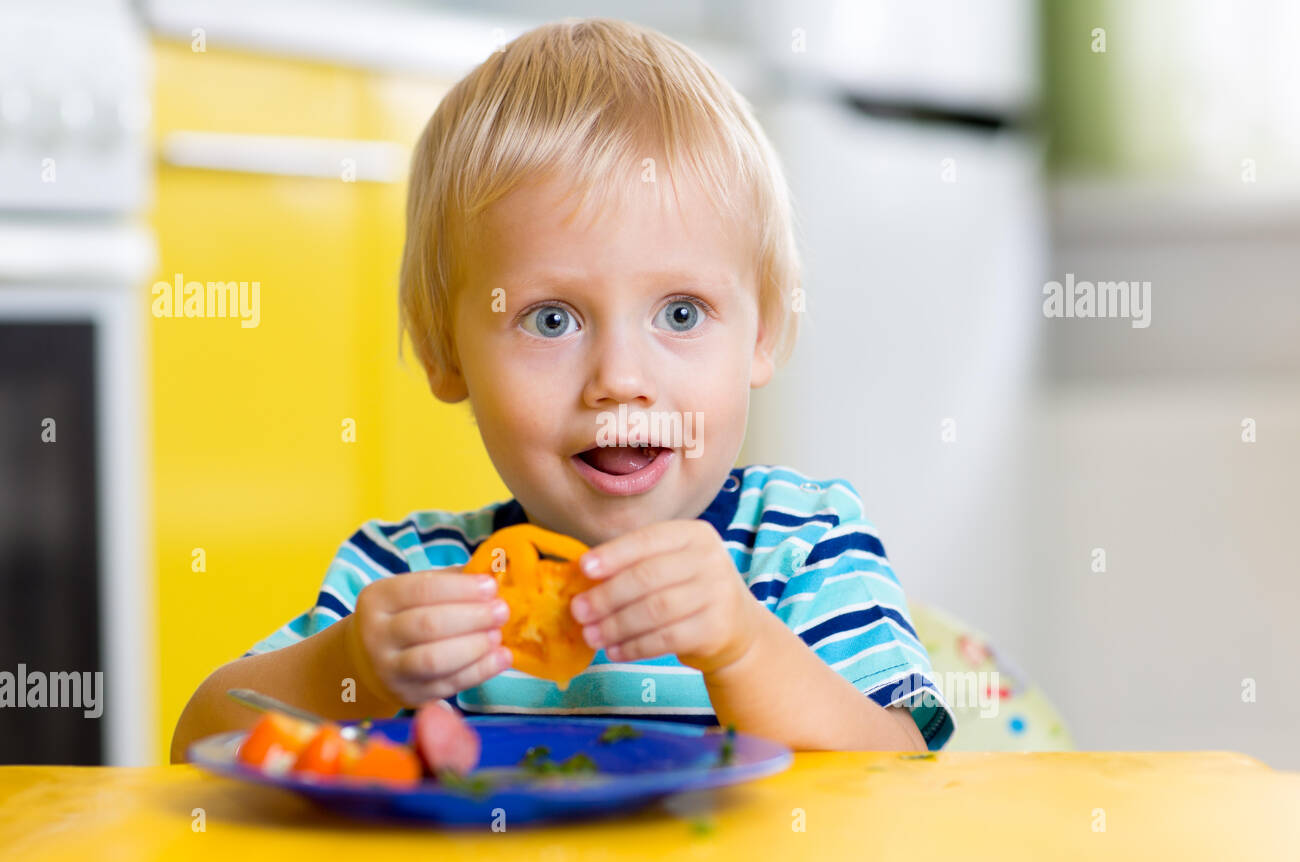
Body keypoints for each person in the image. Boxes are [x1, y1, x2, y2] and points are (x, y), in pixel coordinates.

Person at [171, 17, 955, 762]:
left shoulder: (802, 546)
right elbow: (198, 746)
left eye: (681, 312)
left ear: (761, 335)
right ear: (445, 353)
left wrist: (743, 646)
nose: (620, 380)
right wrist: (346, 671)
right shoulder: (405, 575)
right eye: (551, 321)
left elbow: (898, 776)